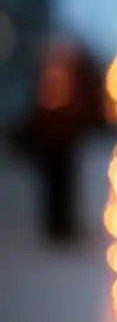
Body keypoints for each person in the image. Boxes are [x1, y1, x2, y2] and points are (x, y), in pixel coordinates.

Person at [12, 36, 103, 243]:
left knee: (64, 183)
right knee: (54, 184)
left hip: (64, 138)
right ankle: (55, 225)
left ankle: (63, 223)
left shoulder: (68, 77)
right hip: (52, 138)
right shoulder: (49, 76)